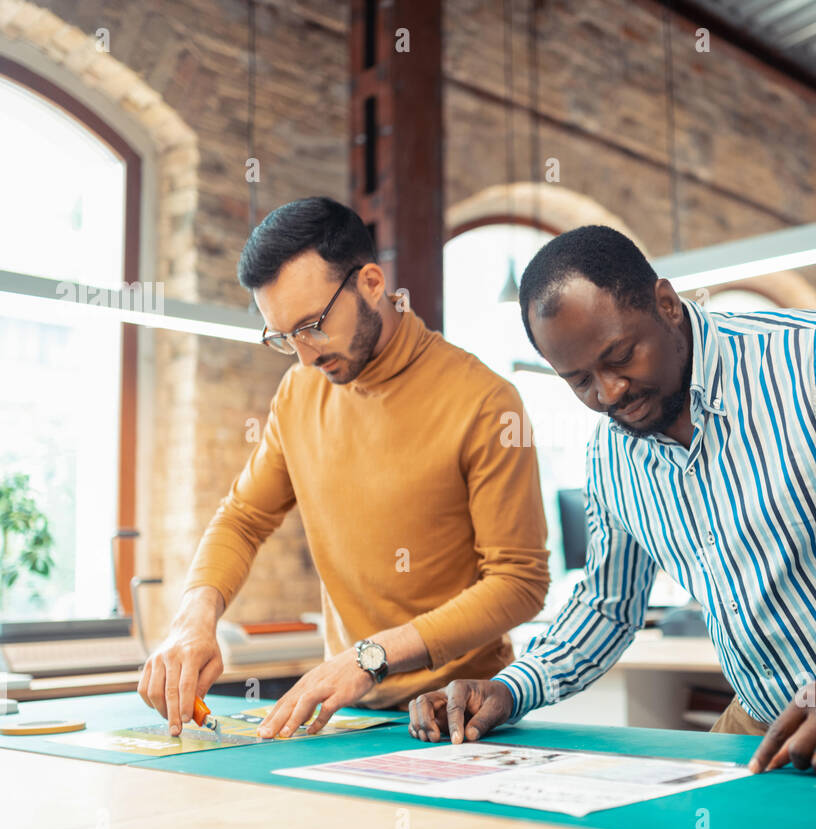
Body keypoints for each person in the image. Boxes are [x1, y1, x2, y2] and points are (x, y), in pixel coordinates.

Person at [407, 225, 816, 776]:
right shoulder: (610, 456)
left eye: (621, 357)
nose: (610, 392)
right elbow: (607, 607)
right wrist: (512, 689)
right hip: (766, 733)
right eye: (580, 381)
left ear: (666, 304)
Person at [138, 197, 549, 739]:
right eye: (283, 337)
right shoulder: (298, 393)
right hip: (346, 714)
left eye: (312, 326)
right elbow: (242, 519)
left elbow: (520, 582)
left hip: (461, 715)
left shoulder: (485, 401)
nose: (305, 357)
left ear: (372, 284)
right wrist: (193, 618)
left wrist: (370, 656)